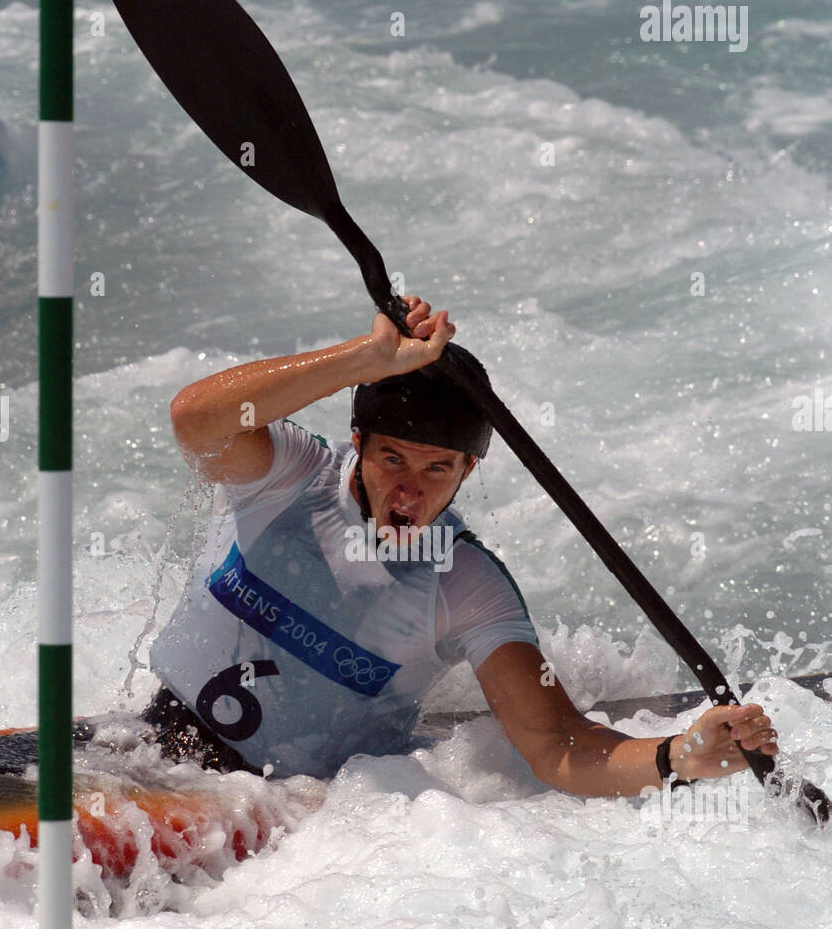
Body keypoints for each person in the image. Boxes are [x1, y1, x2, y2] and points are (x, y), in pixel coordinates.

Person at [142, 295, 779, 795]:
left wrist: (680, 756)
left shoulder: (464, 585)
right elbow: (195, 418)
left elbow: (558, 747)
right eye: (392, 458)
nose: (409, 493)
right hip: (150, 742)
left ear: (467, 472)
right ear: (358, 442)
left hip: (285, 807)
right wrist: (363, 359)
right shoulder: (289, 477)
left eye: (436, 470)